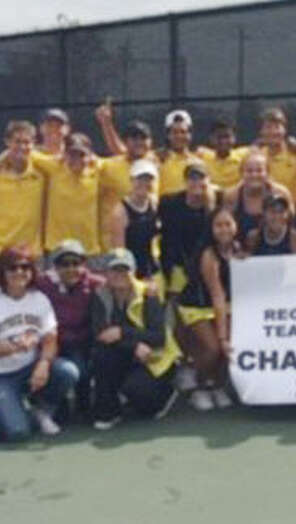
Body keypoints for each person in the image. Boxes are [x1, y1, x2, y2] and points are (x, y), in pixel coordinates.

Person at [0, 246, 80, 441]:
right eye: (12, 268)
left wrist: (43, 364)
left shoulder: (39, 299)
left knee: (67, 371)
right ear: (3, 271)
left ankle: (41, 409)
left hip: (28, 369)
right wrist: (15, 346)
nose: (19, 272)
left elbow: (50, 338)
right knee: (17, 432)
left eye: (25, 267)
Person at [89, 249, 180, 429]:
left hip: (156, 357)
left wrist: (122, 332)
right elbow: (102, 334)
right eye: (114, 270)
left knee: (140, 395)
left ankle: (165, 394)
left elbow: (158, 337)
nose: (120, 275)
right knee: (101, 354)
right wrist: (133, 345)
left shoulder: (148, 294)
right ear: (106, 273)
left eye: (125, 270)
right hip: (130, 352)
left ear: (133, 272)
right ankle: (110, 411)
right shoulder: (100, 295)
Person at [175, 207, 243, 411]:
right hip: (196, 307)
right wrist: (222, 338)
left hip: (225, 307)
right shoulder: (208, 255)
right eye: (218, 225)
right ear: (211, 229)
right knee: (214, 348)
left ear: (236, 226)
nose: (224, 229)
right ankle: (199, 386)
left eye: (228, 224)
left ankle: (218, 385)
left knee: (231, 346)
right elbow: (217, 295)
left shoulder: (239, 249)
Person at [35, 240, 105, 421]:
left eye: (76, 263)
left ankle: (84, 404)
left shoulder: (95, 284)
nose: (71, 269)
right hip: (52, 344)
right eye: (64, 264)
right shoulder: (42, 284)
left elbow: (120, 282)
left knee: (86, 365)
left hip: (82, 343)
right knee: (67, 370)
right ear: (55, 267)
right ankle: (52, 402)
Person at [0, 121, 47, 273]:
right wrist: (5, 156)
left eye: (27, 142)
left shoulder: (42, 174)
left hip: (31, 252)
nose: (22, 146)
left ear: (34, 144)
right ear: (7, 142)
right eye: (17, 141)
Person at [94, 108, 157, 253]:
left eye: (143, 138)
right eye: (134, 138)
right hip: (115, 248)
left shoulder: (156, 163)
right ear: (126, 141)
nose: (139, 142)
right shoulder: (108, 166)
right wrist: (106, 124)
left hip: (149, 250)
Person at [40, 133, 110, 258]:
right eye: (72, 155)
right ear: (65, 154)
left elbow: (123, 160)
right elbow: (27, 154)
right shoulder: (54, 168)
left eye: (81, 155)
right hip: (57, 248)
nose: (77, 160)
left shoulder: (98, 172)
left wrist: (97, 161)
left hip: (88, 250)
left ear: (89, 156)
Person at [158, 163, 218, 299]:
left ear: (209, 181)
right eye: (192, 179)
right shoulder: (169, 203)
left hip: (208, 266)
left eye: (201, 178)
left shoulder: (219, 202)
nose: (197, 183)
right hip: (178, 265)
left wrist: (211, 208)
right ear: (185, 182)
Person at [108, 159, 162, 279]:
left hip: (153, 270)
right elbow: (119, 252)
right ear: (131, 180)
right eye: (140, 179)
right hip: (131, 272)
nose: (144, 183)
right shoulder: (120, 212)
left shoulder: (154, 204)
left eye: (148, 179)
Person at [224, 151, 294, 242]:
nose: (254, 175)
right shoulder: (232, 196)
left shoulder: (281, 193)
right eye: (249, 171)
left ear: (268, 173)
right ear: (241, 173)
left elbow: (292, 223)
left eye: (259, 170)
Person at [256, 107, 296, 202]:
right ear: (261, 132)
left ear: (285, 130)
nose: (273, 132)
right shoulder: (257, 157)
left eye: (277, 127)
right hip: (273, 209)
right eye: (268, 127)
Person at [157, 109, 200, 196]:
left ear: (190, 135)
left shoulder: (198, 161)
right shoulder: (157, 159)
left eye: (183, 132)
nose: (179, 136)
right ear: (168, 135)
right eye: (175, 132)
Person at [200, 118, 250, 189]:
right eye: (219, 137)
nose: (223, 141)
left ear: (234, 138)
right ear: (211, 138)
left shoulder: (244, 156)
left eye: (227, 136)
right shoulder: (203, 158)